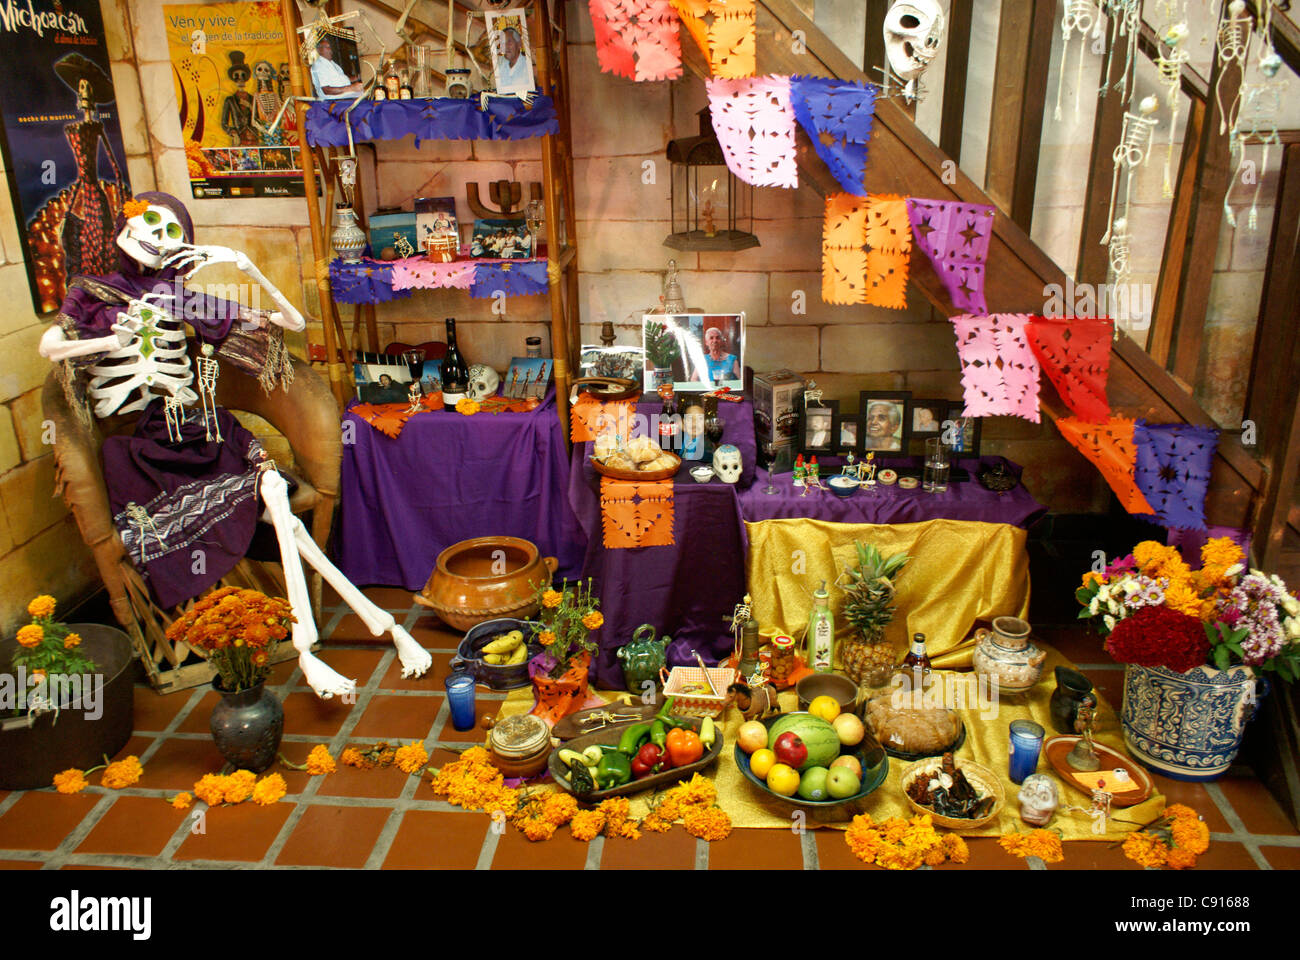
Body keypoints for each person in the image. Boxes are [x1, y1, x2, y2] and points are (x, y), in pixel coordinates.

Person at [493, 25, 533, 93]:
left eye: (509, 42)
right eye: (502, 43)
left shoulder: (528, 67)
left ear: (519, 44)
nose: (505, 46)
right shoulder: (499, 65)